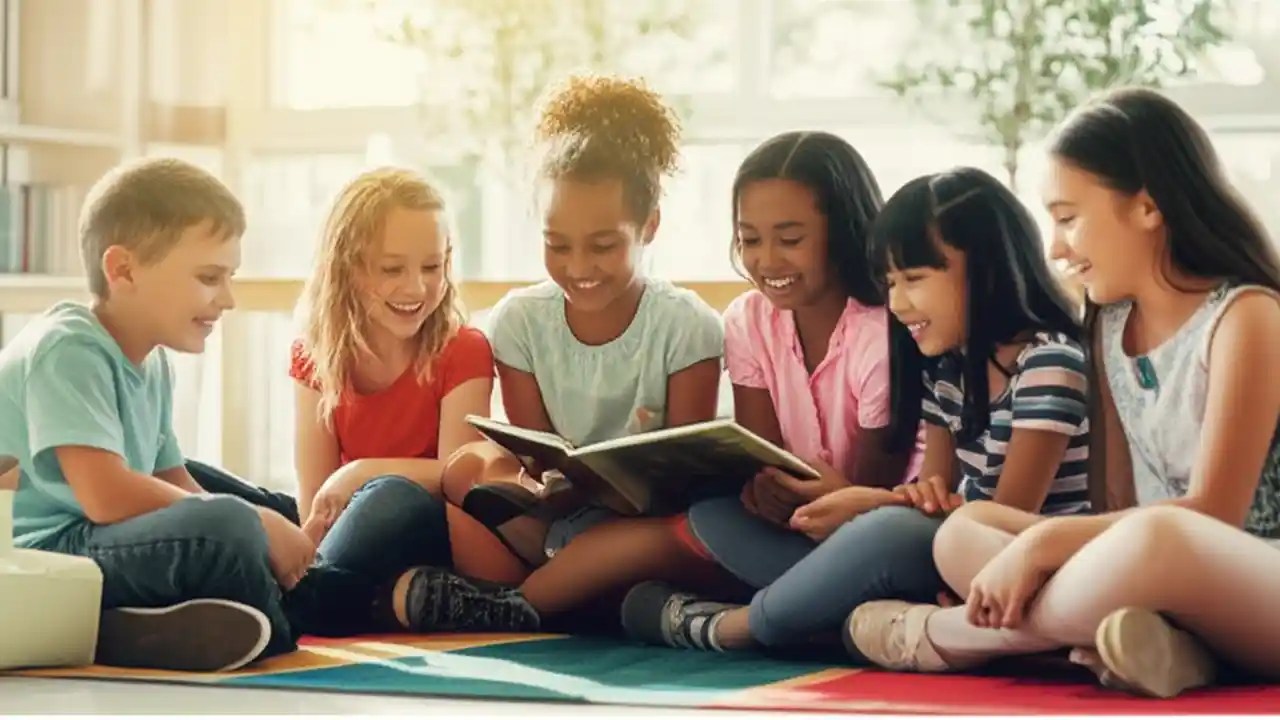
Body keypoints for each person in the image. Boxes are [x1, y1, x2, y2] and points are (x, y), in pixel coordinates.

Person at [848, 87, 1280, 699]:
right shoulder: (1107, 325)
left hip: (1257, 579)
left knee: (1157, 537)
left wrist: (1045, 545)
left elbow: (1215, 516)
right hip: (1154, 589)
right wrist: (1037, 548)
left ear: (1148, 207)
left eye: (1068, 217)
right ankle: (1170, 652)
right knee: (966, 528)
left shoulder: (1247, 316)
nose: (1055, 247)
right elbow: (1114, 501)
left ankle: (957, 636)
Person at [623, 155, 1090, 657]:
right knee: (717, 517)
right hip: (946, 544)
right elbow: (933, 490)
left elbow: (1005, 520)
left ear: (985, 271)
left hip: (1007, 556)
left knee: (885, 531)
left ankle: (731, 628)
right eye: (890, 283)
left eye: (913, 279)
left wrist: (868, 502)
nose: (897, 304)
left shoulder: (1048, 363)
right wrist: (882, 504)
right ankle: (849, 618)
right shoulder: (947, 369)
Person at [393, 74, 726, 630]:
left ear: (649, 227)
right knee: (468, 469)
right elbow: (537, 460)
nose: (578, 267)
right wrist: (560, 486)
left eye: (603, 246)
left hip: (650, 528)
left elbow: (681, 482)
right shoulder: (521, 322)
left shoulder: (687, 326)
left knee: (678, 534)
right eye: (556, 245)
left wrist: (621, 496)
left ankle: (519, 608)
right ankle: (584, 596)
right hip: (561, 519)